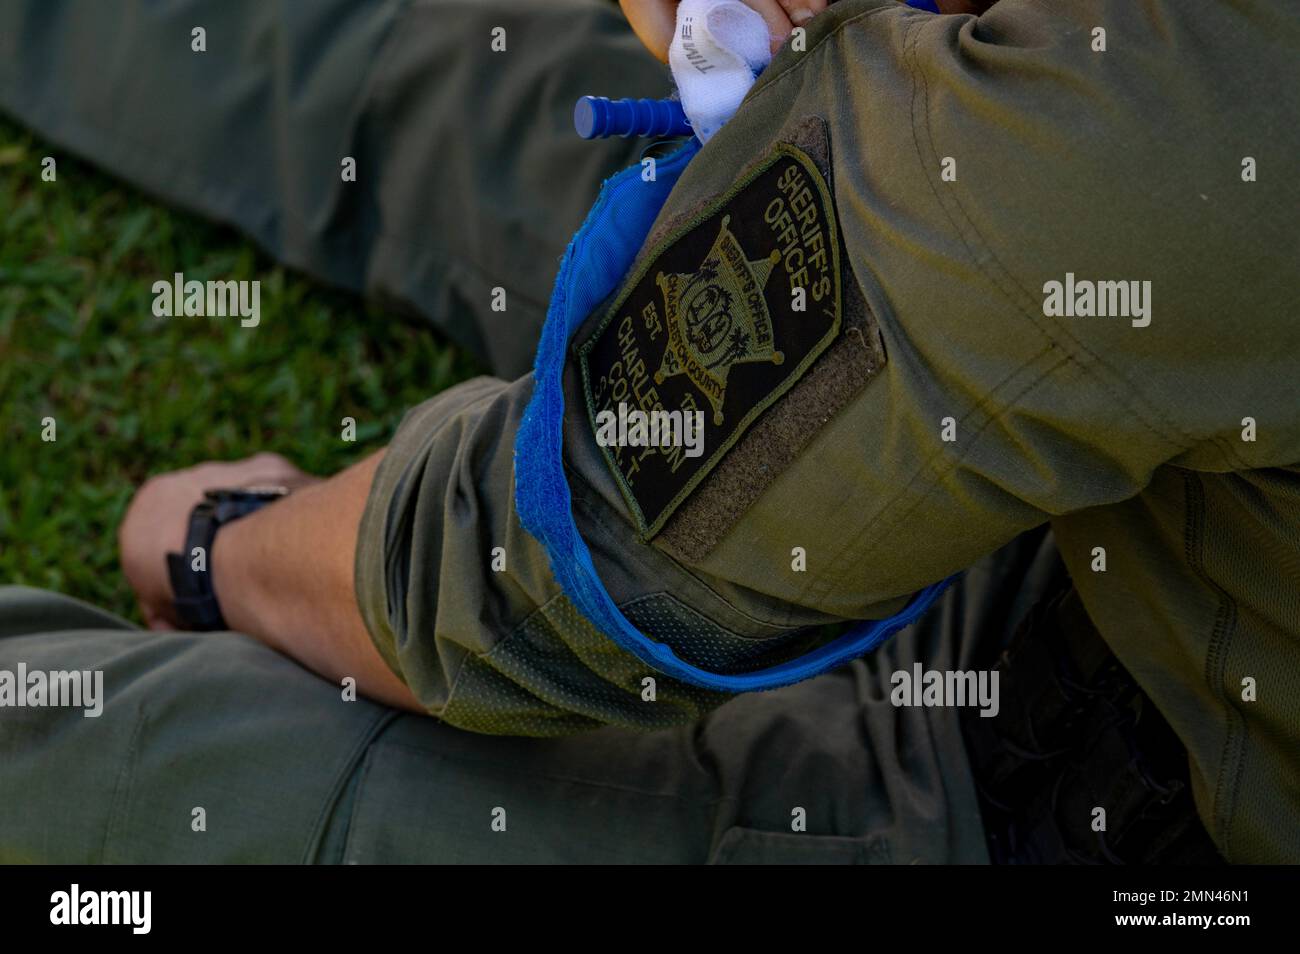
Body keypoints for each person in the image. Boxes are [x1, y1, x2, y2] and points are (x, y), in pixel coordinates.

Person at [1, 0, 1296, 864]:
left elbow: (514, 572)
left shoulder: (1144, 123)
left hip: (1117, 808)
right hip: (1132, 526)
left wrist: (216, 549)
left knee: (116, 753)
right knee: (500, 88)